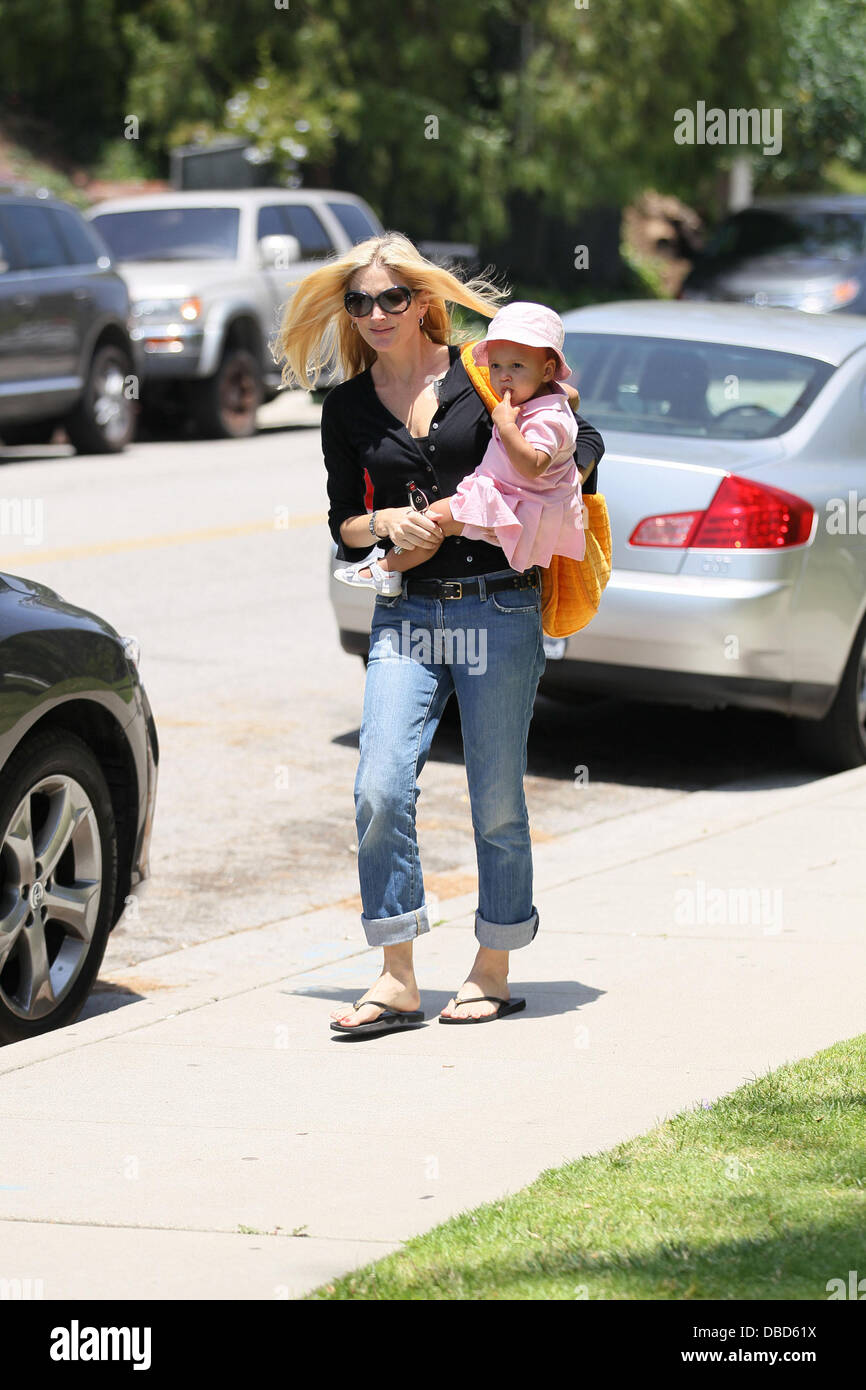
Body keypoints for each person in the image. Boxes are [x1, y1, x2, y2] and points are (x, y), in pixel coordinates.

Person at [276, 232, 604, 1032]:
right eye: (360, 301)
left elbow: (582, 436)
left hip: (499, 606)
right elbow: (341, 525)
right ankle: (395, 975)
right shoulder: (347, 408)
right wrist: (383, 520)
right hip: (408, 614)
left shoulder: (482, 371)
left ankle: (492, 964)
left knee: (495, 798)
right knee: (380, 787)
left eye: (394, 297)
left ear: (426, 299)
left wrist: (558, 476)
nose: (378, 313)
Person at [335, 301, 586, 596]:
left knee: (432, 521)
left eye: (517, 366)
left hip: (509, 508)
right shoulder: (525, 399)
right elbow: (342, 515)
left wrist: (544, 493)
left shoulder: (539, 412)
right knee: (431, 524)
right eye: (495, 365)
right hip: (495, 502)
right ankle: (386, 569)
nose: (504, 376)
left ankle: (385, 569)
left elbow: (541, 460)